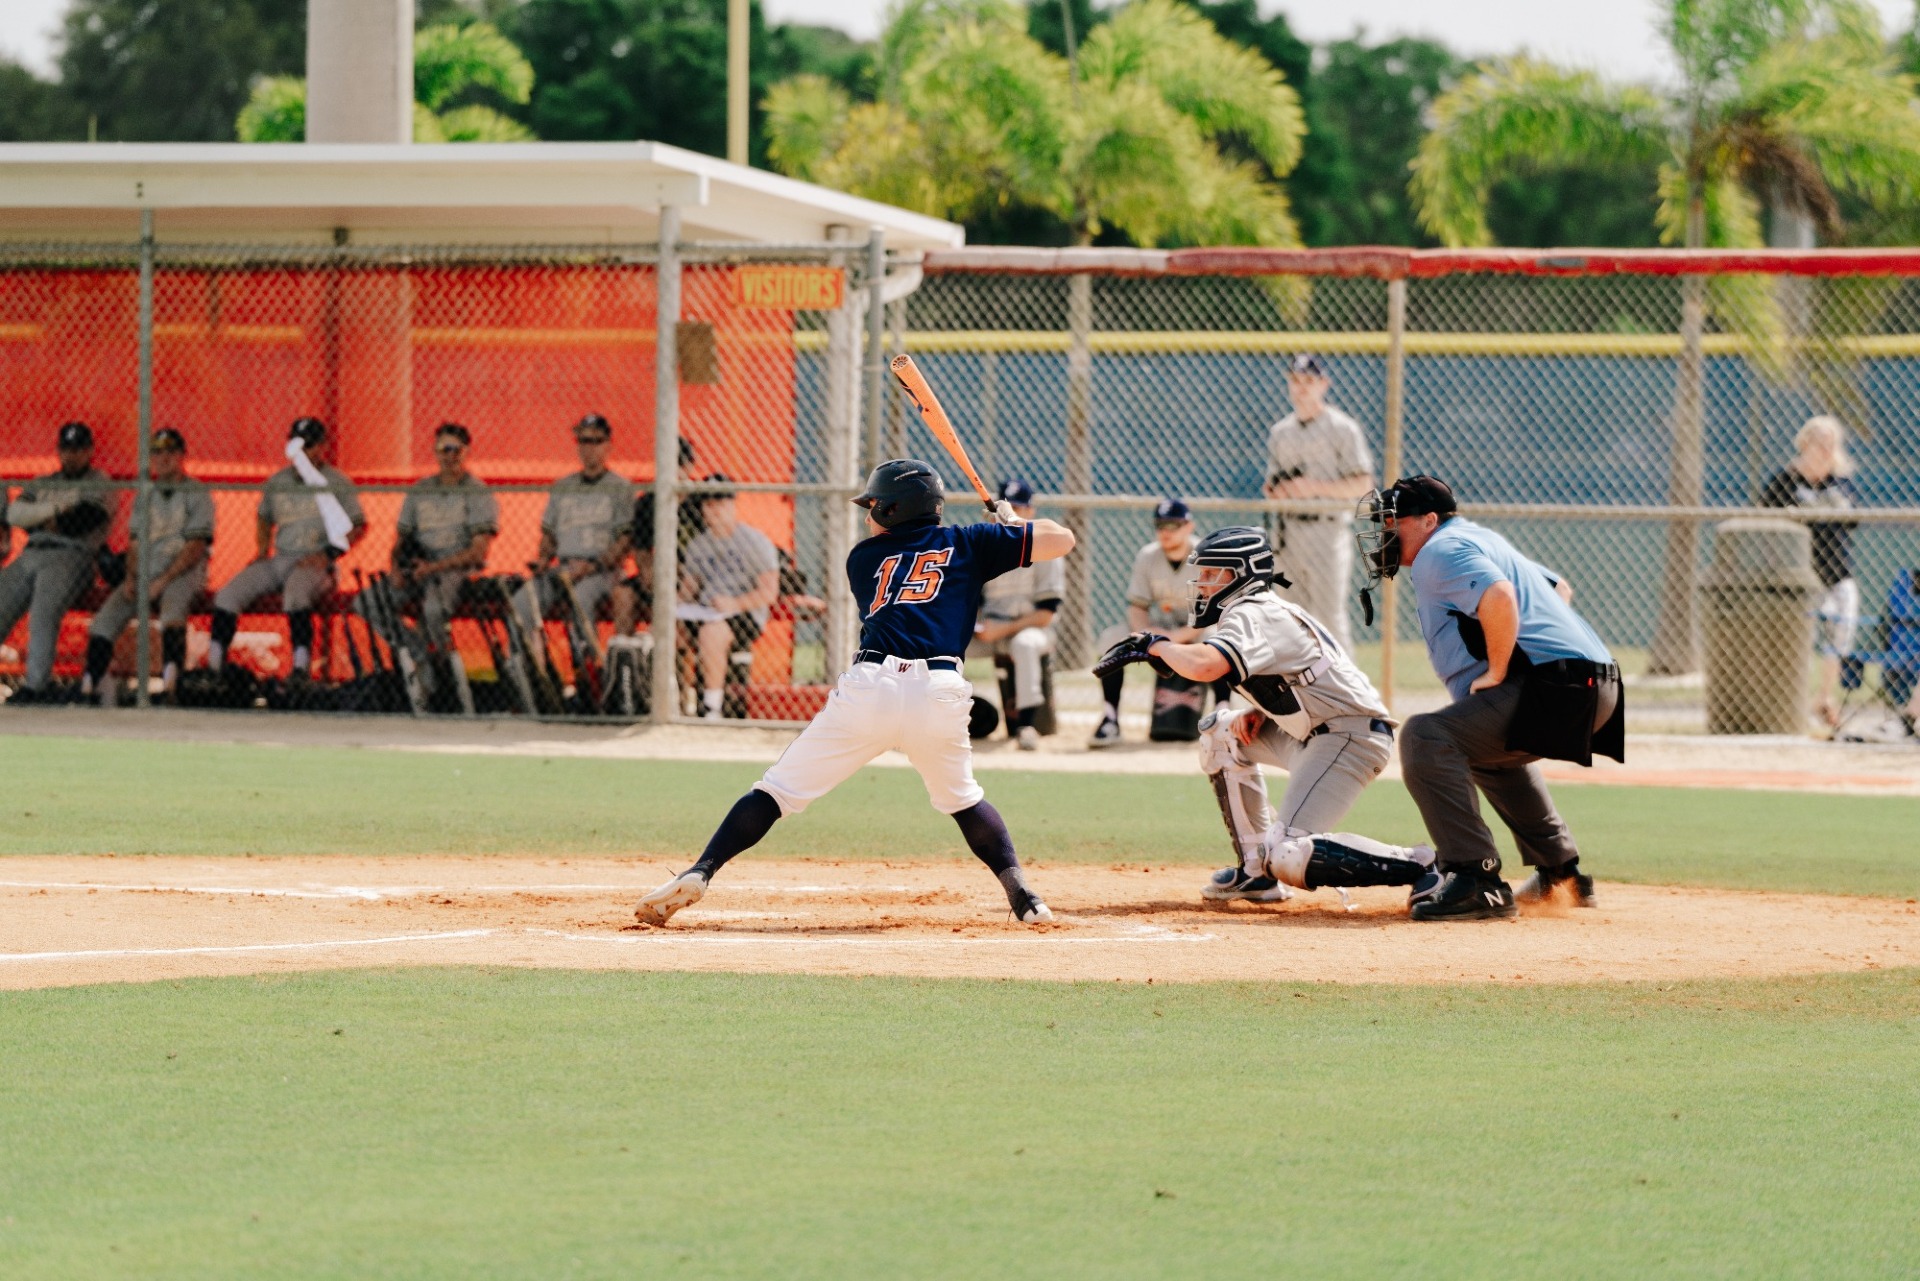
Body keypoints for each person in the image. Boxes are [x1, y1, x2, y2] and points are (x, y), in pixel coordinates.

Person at [635, 458, 1076, 927]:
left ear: (892, 511)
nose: (868, 515)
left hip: (871, 690)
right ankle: (1024, 895)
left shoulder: (863, 557)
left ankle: (701, 871)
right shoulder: (970, 542)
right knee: (964, 800)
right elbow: (1061, 539)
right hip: (939, 693)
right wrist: (1011, 524)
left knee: (776, 791)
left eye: (874, 506)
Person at [1095, 526, 1432, 906]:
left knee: (1287, 853)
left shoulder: (1254, 612)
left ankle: (1422, 865)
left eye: (1211, 573)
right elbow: (1297, 674)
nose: (1202, 584)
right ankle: (1255, 873)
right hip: (1312, 731)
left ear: (1240, 574)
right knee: (1221, 732)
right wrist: (1262, 709)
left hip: (1349, 738)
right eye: (1201, 573)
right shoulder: (1254, 612)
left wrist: (1157, 646)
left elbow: (1208, 666)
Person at [1356, 475, 1622, 921]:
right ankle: (1564, 875)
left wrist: (1499, 669)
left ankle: (1475, 879)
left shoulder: (1438, 551)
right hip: (1593, 682)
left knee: (1427, 736)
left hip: (1559, 686)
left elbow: (1500, 596)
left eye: (1392, 523)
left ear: (1428, 520)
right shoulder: (1477, 538)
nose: (1384, 534)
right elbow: (1559, 589)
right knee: (1481, 749)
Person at [207, 417, 366, 680]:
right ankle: (214, 667)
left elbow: (358, 526)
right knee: (228, 595)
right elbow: (264, 516)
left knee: (296, 593)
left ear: (322, 447)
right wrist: (261, 551)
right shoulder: (278, 481)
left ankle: (300, 669)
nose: (303, 452)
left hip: (316, 562)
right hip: (281, 559)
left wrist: (327, 554)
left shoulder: (336, 481)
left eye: (310, 446)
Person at [81, 428, 213, 705]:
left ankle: (170, 686)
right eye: (157, 452)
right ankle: (88, 686)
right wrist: (130, 576)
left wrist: (162, 581)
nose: (163, 458)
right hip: (147, 568)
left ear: (181, 456)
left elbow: (195, 546)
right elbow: (136, 542)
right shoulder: (147, 493)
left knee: (172, 611)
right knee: (105, 619)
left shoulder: (196, 492)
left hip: (182, 569)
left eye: (170, 452)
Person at [1088, 497, 1232, 748]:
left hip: (1196, 627)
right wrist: (1146, 633)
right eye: (1160, 525)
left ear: (1188, 526)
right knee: (1111, 638)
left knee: (1218, 640)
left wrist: (1175, 638)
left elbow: (1216, 611)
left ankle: (1224, 714)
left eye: (1173, 525)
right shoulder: (1148, 555)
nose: (1165, 531)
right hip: (1159, 628)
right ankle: (1110, 719)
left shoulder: (1205, 556)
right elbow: (1137, 606)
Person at [1263, 353, 1376, 655]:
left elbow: (1363, 484)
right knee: (1288, 616)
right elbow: (1273, 483)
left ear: (1324, 384)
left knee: (1328, 617)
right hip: (1288, 536)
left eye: (1309, 381)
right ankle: (1297, 694)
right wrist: (1279, 490)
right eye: (1296, 380)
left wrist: (1311, 487)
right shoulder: (1280, 432)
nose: (1301, 388)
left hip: (1326, 532)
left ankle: (1349, 696)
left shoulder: (1342, 427)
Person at [0, 421, 113, 701]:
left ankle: (35, 687)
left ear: (90, 451)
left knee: (43, 612)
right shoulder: (43, 482)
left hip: (73, 555)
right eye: (66, 449)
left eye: (78, 449)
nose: (71, 455)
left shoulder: (100, 481)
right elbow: (15, 515)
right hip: (32, 552)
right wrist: (57, 510)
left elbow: (83, 521)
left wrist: (41, 518)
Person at [1761, 415, 1860, 728]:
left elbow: (1854, 520)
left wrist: (1835, 506)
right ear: (1805, 443)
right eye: (1819, 441)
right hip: (1798, 574)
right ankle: (1793, 703)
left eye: (1831, 442)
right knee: (1800, 639)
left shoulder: (1840, 480)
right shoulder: (1787, 480)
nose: (1826, 448)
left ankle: (1825, 697)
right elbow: (1764, 517)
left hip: (1836, 571)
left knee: (1839, 635)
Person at [515, 413, 635, 641]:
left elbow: (624, 542)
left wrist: (590, 567)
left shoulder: (620, 487)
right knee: (522, 601)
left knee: (580, 598)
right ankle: (526, 669)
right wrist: (542, 560)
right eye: (583, 441)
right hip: (564, 567)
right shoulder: (563, 486)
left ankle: (587, 669)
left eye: (596, 441)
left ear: (608, 445)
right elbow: (549, 535)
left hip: (603, 571)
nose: (589, 447)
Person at [966, 477, 1064, 750]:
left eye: (1019, 508)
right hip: (991, 631)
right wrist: (975, 626)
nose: (1013, 514)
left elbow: (1046, 614)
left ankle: (1026, 726)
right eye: (1008, 508)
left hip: (1033, 630)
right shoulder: (985, 545)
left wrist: (1003, 630)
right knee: (949, 642)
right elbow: (971, 602)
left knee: (1024, 644)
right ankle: (953, 710)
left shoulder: (1046, 547)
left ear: (1031, 511)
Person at [677, 479, 780, 719]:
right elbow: (689, 589)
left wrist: (734, 604)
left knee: (711, 633)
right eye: (708, 504)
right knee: (669, 631)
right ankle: (672, 702)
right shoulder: (698, 544)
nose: (713, 509)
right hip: (707, 611)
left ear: (732, 505)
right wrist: (674, 605)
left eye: (720, 503)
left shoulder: (754, 541)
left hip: (744, 613)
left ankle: (712, 708)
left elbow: (769, 592)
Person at [391, 422, 498, 649]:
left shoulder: (477, 492)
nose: (449, 456)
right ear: (435, 451)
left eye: (455, 450)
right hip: (418, 567)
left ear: (467, 451)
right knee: (369, 603)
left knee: (433, 609)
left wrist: (432, 568)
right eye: (443, 449)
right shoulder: (420, 489)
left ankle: (444, 666)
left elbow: (478, 553)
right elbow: (400, 540)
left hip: (455, 569)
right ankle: (416, 649)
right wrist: (396, 569)